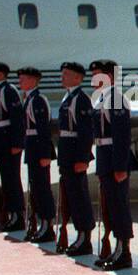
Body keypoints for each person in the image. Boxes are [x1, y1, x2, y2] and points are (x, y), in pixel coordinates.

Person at [90, 60, 133, 270]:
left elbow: (122, 136)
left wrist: (120, 167)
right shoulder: (102, 99)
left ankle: (124, 251)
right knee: (111, 206)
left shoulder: (116, 99)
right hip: (104, 157)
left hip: (113, 159)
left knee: (119, 205)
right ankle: (117, 248)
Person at [56, 62, 96, 257]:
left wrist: (83, 158)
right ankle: (79, 235)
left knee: (80, 197)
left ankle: (84, 237)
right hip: (66, 153)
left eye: (67, 74)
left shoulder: (80, 99)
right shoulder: (69, 97)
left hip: (75, 154)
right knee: (72, 195)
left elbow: (86, 131)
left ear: (78, 78)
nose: (62, 77)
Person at [0, 61, 26, 231]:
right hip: (0, 142)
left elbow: (17, 118)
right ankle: (9, 215)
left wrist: (17, 143)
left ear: (1, 73)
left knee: (11, 179)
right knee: (6, 179)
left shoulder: (8, 91)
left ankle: (17, 216)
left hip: (9, 142)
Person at [18, 67, 57, 244]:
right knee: (35, 187)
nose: (21, 82)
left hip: (38, 148)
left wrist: (45, 153)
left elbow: (43, 129)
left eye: (24, 79)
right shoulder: (29, 99)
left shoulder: (38, 100)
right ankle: (40, 223)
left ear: (34, 80)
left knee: (42, 188)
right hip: (32, 147)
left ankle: (47, 225)